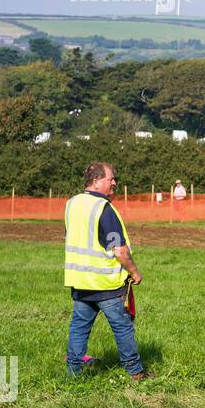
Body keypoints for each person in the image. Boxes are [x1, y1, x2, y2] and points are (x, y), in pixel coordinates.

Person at [63, 162, 152, 381]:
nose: (114, 183)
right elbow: (119, 249)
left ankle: (73, 373)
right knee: (123, 328)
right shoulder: (104, 208)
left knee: (79, 327)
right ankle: (136, 372)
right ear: (96, 181)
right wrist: (135, 272)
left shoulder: (72, 203)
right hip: (105, 284)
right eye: (110, 179)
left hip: (80, 281)